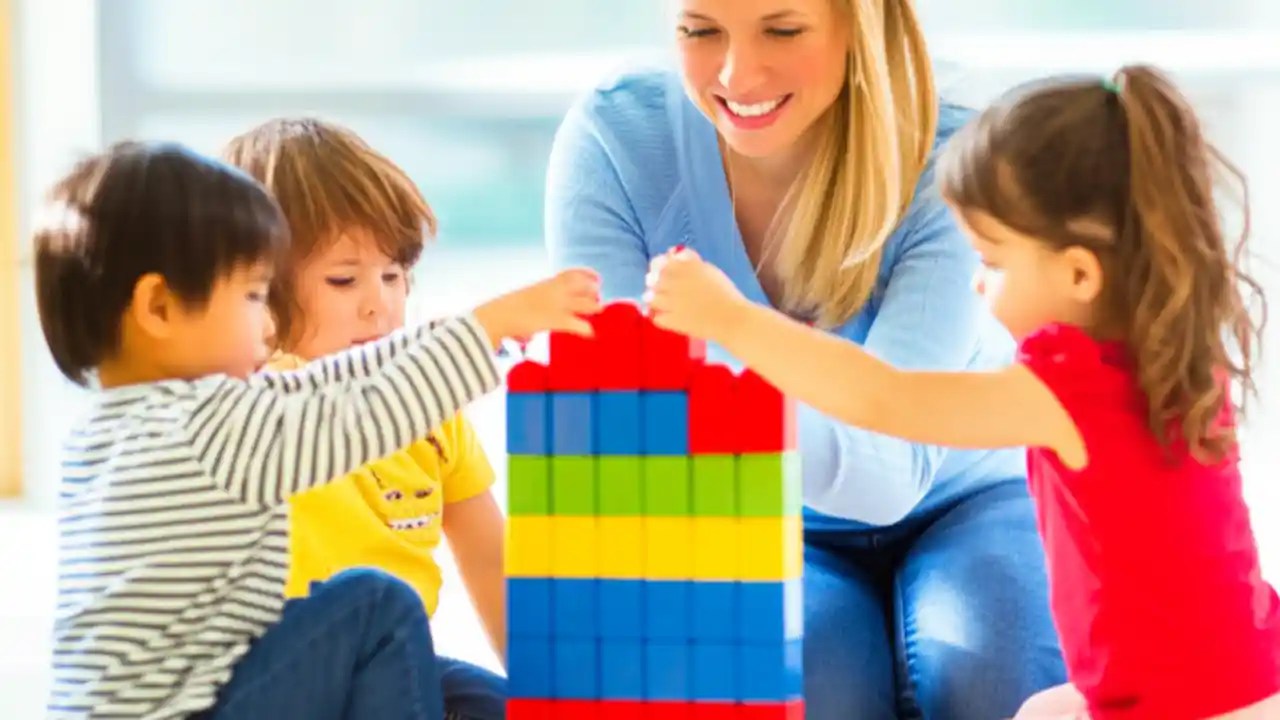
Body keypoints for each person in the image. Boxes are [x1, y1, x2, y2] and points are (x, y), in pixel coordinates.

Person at [645, 64, 1280, 720]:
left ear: (1079, 274)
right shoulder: (1170, 350)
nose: (978, 283)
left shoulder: (1074, 387)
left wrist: (734, 320)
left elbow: (885, 400)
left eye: (993, 262)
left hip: (1189, 701)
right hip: (1235, 670)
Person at [544, 0, 1064, 716]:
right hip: (757, 513)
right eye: (700, 31)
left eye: (783, 30)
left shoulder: (954, 152)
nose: (737, 74)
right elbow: (622, 425)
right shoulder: (616, 139)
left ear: (861, 22)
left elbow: (887, 472)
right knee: (805, 684)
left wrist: (725, 343)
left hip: (972, 491)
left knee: (996, 680)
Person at [34, 140, 600, 719]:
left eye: (395, 275)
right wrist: (490, 326)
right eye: (253, 295)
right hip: (195, 710)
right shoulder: (209, 425)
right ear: (158, 308)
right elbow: (363, 412)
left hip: (224, 694)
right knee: (376, 603)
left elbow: (337, 381)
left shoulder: (118, 429)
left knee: (477, 698)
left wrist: (467, 331)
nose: (267, 320)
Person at [223, 117, 508, 720]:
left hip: (389, 669)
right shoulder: (251, 398)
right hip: (272, 685)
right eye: (343, 279)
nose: (380, 302)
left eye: (394, 274)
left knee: (502, 705)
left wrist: (552, 690)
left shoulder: (431, 408)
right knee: (380, 609)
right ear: (258, 288)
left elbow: (492, 564)